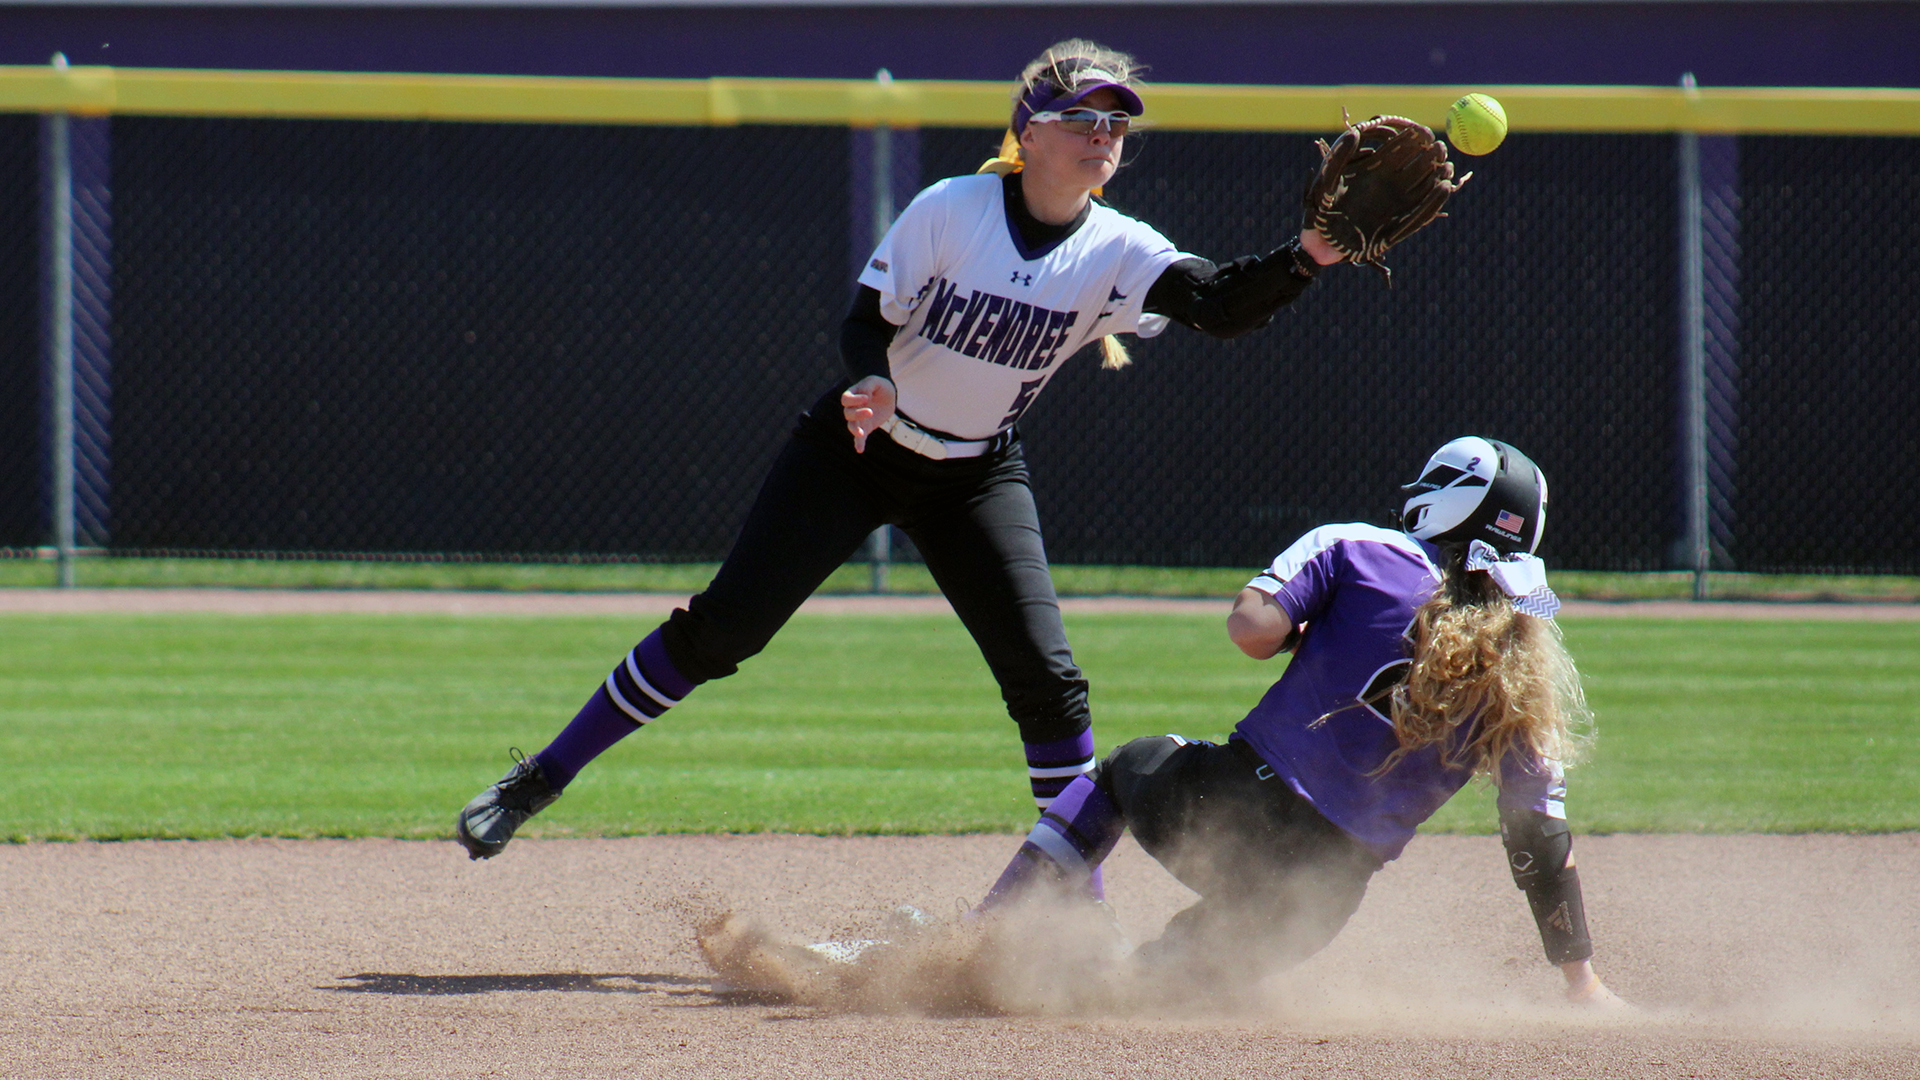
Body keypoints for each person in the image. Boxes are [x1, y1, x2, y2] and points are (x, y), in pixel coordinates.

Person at [455, 39, 1356, 862]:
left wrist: (1308, 255)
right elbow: (862, 322)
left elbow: (1220, 305)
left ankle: (1068, 904)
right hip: (855, 450)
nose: (1103, 135)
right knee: (725, 628)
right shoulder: (954, 209)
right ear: (1028, 132)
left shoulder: (1120, 248)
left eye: (1116, 122)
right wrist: (872, 380)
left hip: (975, 473)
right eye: (1081, 117)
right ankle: (542, 776)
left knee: (1050, 684)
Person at [975, 436, 1625, 1005]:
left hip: (1233, 807)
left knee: (1124, 769)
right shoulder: (1523, 675)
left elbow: (1251, 629)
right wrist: (1582, 981)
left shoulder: (1362, 548)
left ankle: (985, 934)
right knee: (1140, 991)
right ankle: (1098, 978)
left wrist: (1309, 634)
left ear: (1445, 499)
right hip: (1317, 901)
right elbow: (1540, 838)